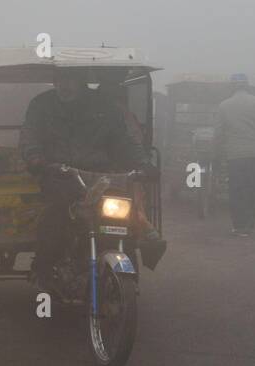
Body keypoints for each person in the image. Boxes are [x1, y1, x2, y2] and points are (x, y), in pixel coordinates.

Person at [19, 69, 161, 287]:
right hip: (59, 173)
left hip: (101, 175)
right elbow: (30, 136)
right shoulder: (41, 105)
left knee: (124, 218)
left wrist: (143, 164)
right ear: (55, 82)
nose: (64, 85)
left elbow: (123, 141)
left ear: (82, 82)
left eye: (70, 79)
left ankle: (126, 272)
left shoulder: (104, 106)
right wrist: (36, 158)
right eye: (60, 80)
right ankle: (43, 269)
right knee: (55, 214)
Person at [213, 73, 255, 236]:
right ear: (247, 86)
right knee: (254, 190)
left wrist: (216, 156)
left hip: (236, 156)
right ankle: (250, 224)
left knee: (237, 191)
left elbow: (218, 135)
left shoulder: (224, 106)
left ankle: (239, 226)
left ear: (232, 87)